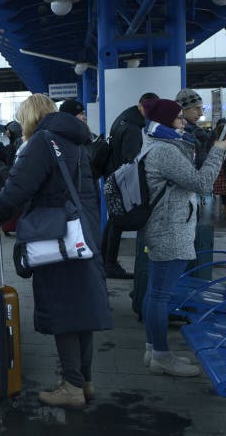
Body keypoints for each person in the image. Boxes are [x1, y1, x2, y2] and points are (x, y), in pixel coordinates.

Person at [0, 93, 112, 408]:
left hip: (57, 239)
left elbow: (17, 188)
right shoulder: (78, 142)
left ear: (28, 118)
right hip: (83, 235)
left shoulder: (42, 142)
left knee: (64, 309)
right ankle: (85, 381)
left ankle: (71, 387)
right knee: (82, 311)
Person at [139, 98, 226, 376]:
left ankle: (153, 350)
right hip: (170, 229)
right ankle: (163, 356)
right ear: (165, 122)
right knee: (160, 295)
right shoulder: (165, 150)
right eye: (178, 119)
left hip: (164, 226)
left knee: (155, 292)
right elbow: (201, 183)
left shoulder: (156, 141)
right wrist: (219, 150)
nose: (184, 122)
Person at [101, 92, 159, 279]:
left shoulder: (124, 119)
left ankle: (106, 261)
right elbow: (131, 162)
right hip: (122, 181)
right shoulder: (133, 128)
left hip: (113, 177)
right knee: (119, 221)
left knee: (114, 220)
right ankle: (109, 264)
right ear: (140, 106)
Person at [175, 88, 210, 169]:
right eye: (196, 108)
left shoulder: (197, 132)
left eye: (202, 108)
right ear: (182, 110)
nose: (201, 113)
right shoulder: (179, 135)